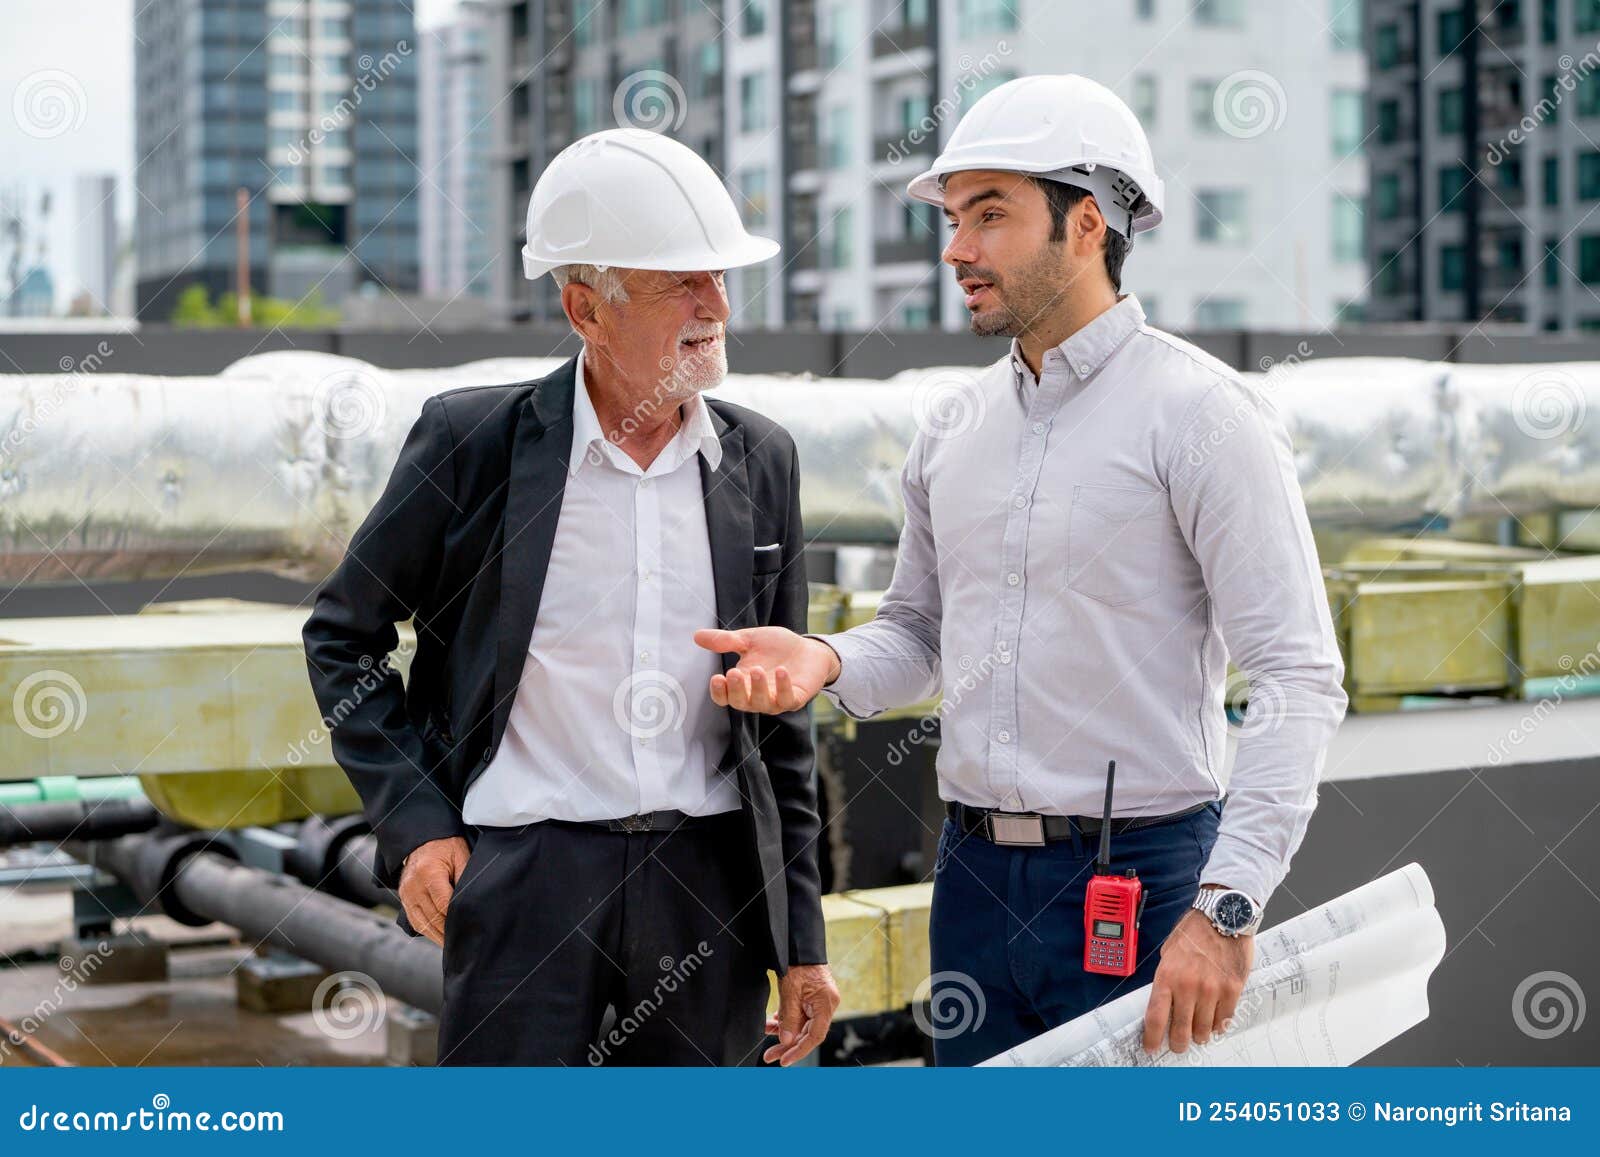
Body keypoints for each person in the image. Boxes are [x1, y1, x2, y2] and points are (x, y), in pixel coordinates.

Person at [694, 75, 1346, 1066]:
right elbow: (918, 634)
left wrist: (1228, 905)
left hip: (1144, 877)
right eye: (954, 218)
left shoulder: (1204, 416)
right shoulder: (953, 428)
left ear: (1087, 223)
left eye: (989, 214)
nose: (956, 248)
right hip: (973, 880)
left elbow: (1298, 673)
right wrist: (824, 658)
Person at [304, 128, 838, 1066]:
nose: (717, 306)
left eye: (718, 276)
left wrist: (801, 940)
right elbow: (343, 636)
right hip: (524, 886)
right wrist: (418, 826)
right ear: (585, 307)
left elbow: (782, 724)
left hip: (706, 891)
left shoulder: (762, 460)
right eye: (681, 282)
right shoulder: (472, 446)